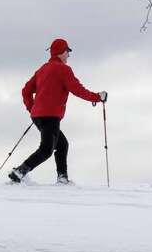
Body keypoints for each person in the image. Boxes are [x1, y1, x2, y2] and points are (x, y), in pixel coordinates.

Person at [9, 38, 106, 185]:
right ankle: (20, 171)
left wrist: (32, 108)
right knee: (46, 149)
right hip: (50, 116)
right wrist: (97, 97)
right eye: (67, 52)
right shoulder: (64, 70)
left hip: (38, 116)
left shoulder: (42, 69)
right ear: (61, 52)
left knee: (62, 145)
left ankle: (62, 178)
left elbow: (25, 91)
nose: (68, 55)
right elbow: (78, 90)